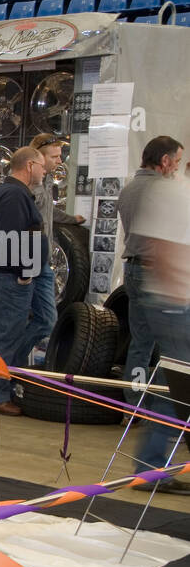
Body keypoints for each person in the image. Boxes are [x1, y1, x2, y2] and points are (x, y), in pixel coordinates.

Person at [128, 168, 190, 493]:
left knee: (173, 388)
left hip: (175, 304)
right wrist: (177, 301)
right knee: (176, 390)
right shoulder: (176, 194)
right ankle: (150, 466)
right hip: (175, 305)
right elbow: (162, 252)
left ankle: (150, 465)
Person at [118, 135, 184, 405]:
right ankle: (163, 408)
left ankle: (131, 405)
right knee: (173, 348)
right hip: (156, 273)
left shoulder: (129, 189)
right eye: (176, 162)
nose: (177, 169)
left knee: (141, 342)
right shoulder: (162, 191)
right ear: (164, 160)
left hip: (133, 269)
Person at [0, 146, 47, 416]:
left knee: (11, 333)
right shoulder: (13, 195)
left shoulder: (12, 192)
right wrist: (24, 272)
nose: (45, 172)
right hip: (10, 277)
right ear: (30, 165)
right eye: (42, 166)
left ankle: (4, 383)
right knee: (6, 335)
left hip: (8, 275)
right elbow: (14, 237)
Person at [27, 133, 85, 358]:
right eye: (55, 156)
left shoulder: (47, 181)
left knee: (45, 319)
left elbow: (47, 212)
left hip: (42, 260)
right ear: (38, 156)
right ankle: (10, 365)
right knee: (34, 319)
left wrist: (72, 220)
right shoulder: (30, 183)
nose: (59, 161)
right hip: (29, 261)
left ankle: (16, 363)